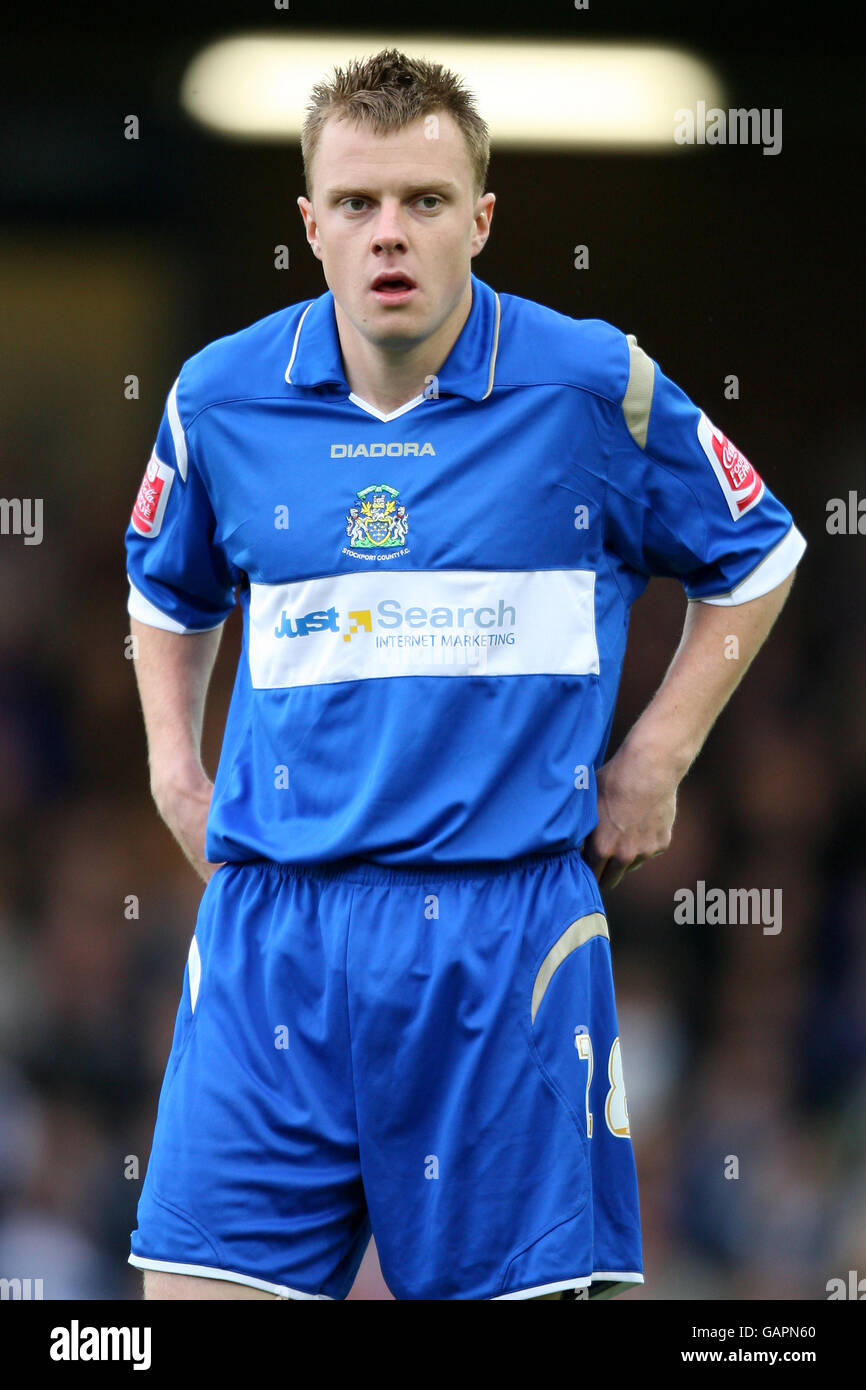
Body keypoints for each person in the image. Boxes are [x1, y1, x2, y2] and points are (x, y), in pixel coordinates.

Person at [124, 48, 806, 1301]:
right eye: (359, 204)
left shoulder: (588, 384)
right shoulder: (218, 395)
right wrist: (175, 762)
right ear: (310, 226)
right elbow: (166, 588)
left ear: (480, 220)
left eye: (425, 203)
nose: (391, 234)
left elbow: (758, 551)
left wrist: (653, 759)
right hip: (273, 933)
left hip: (505, 940)